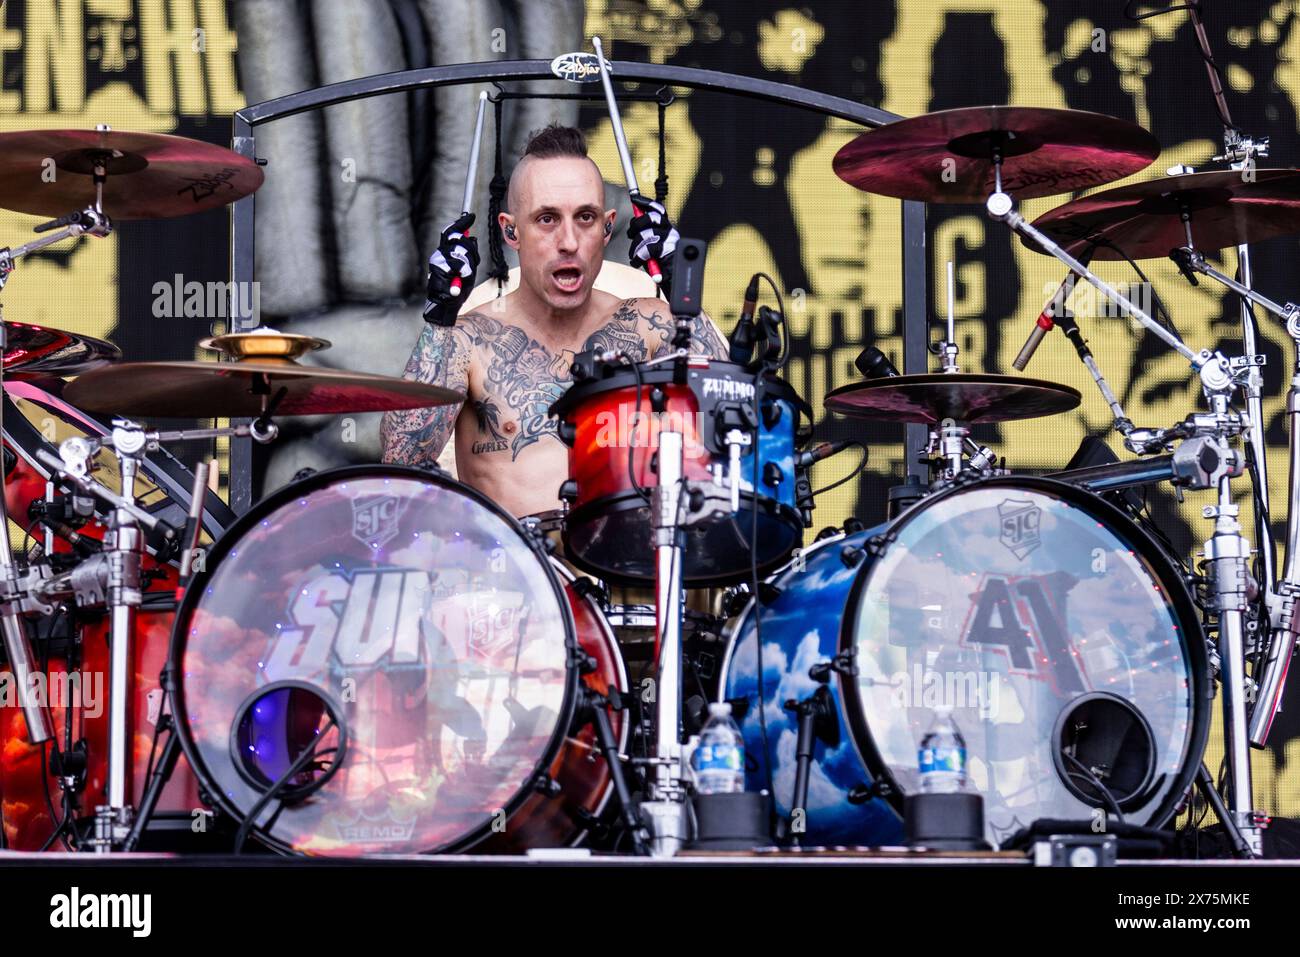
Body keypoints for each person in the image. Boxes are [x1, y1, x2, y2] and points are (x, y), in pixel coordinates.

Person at [380, 124, 727, 518]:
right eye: (547, 219)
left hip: (631, 571)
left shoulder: (649, 323)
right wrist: (440, 317)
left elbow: (730, 435)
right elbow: (400, 464)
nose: (569, 241)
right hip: (513, 574)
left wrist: (679, 286)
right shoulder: (470, 341)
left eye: (585, 218)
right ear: (511, 231)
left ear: (608, 226)